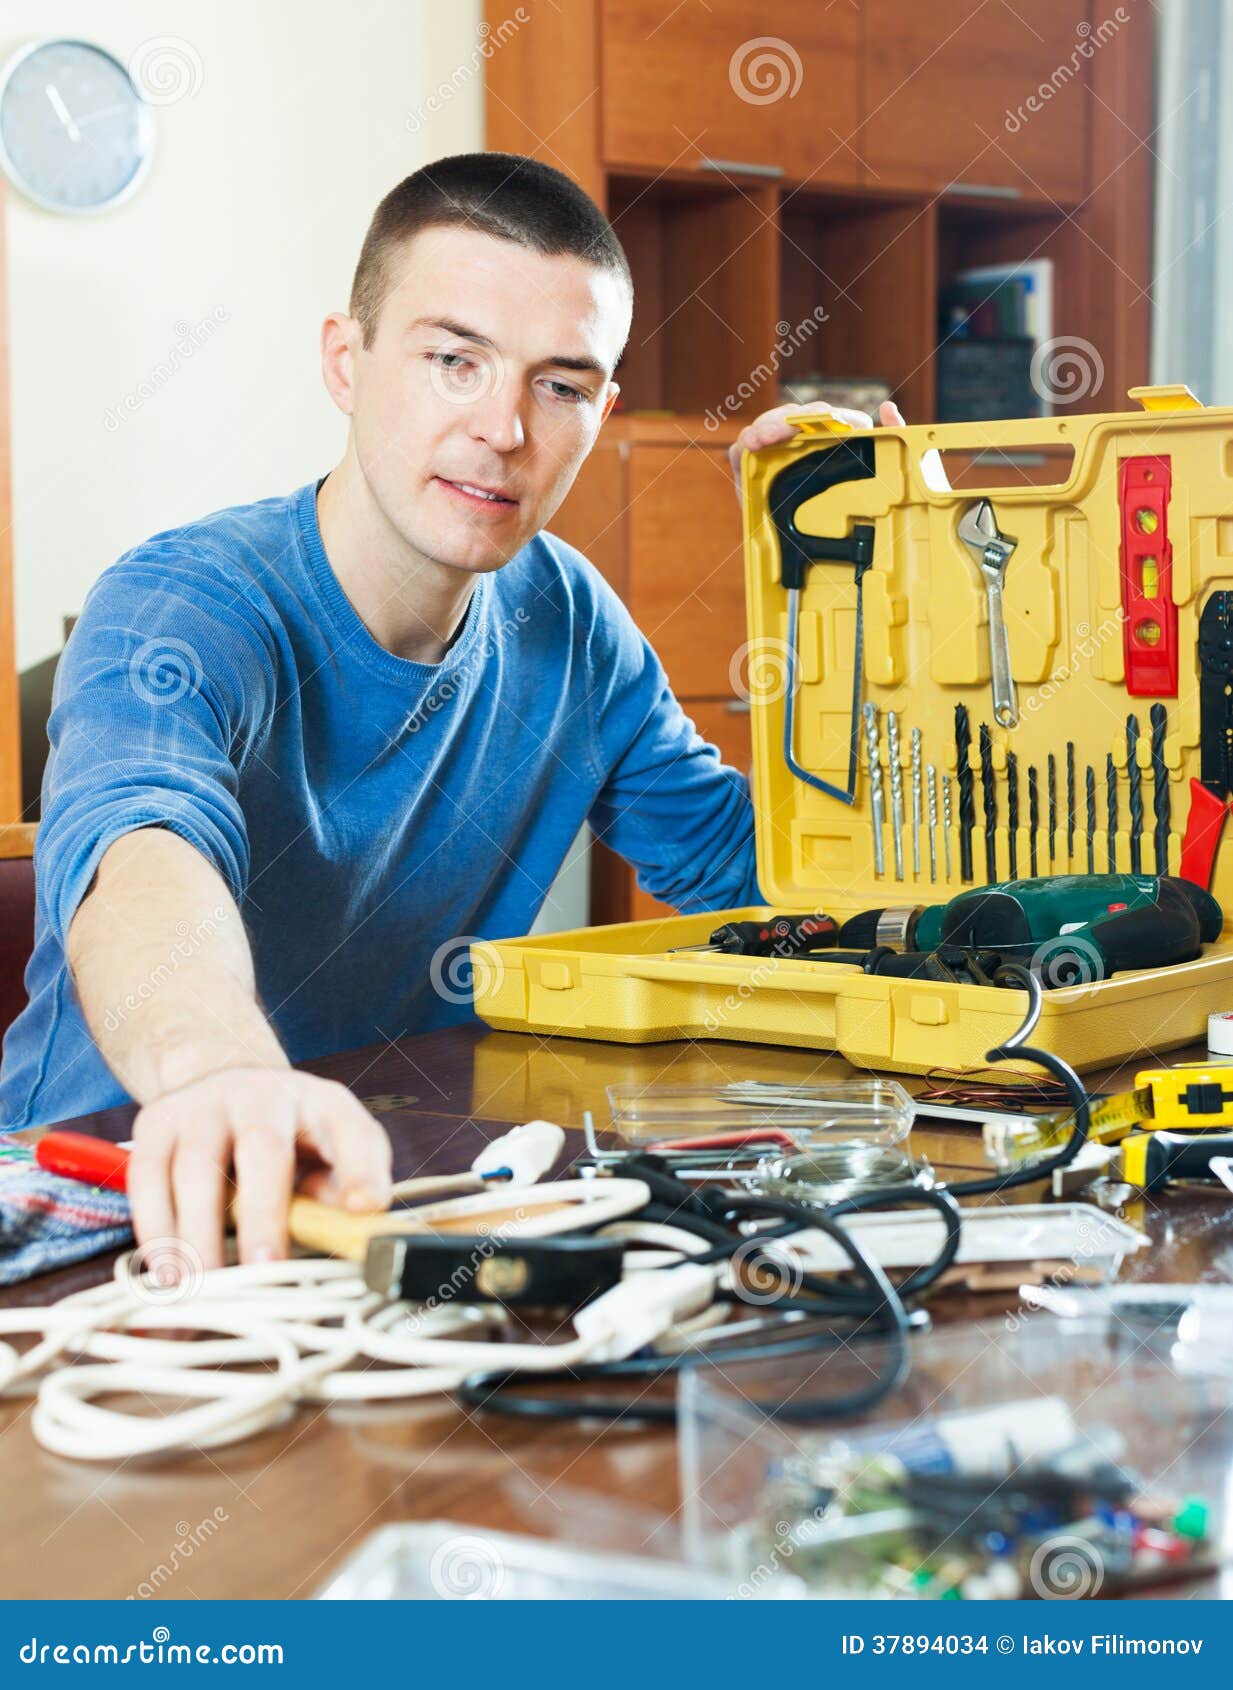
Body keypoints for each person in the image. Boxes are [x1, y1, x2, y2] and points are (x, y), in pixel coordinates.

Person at [0, 151, 901, 1269]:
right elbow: (140, 858)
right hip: (108, 1211)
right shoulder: (181, 605)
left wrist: (878, 591)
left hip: (389, 1194)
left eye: (559, 385)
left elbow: (778, 886)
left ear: (599, 410)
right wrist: (226, 1077)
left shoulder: (570, 618)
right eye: (453, 361)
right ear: (347, 359)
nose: (505, 428)